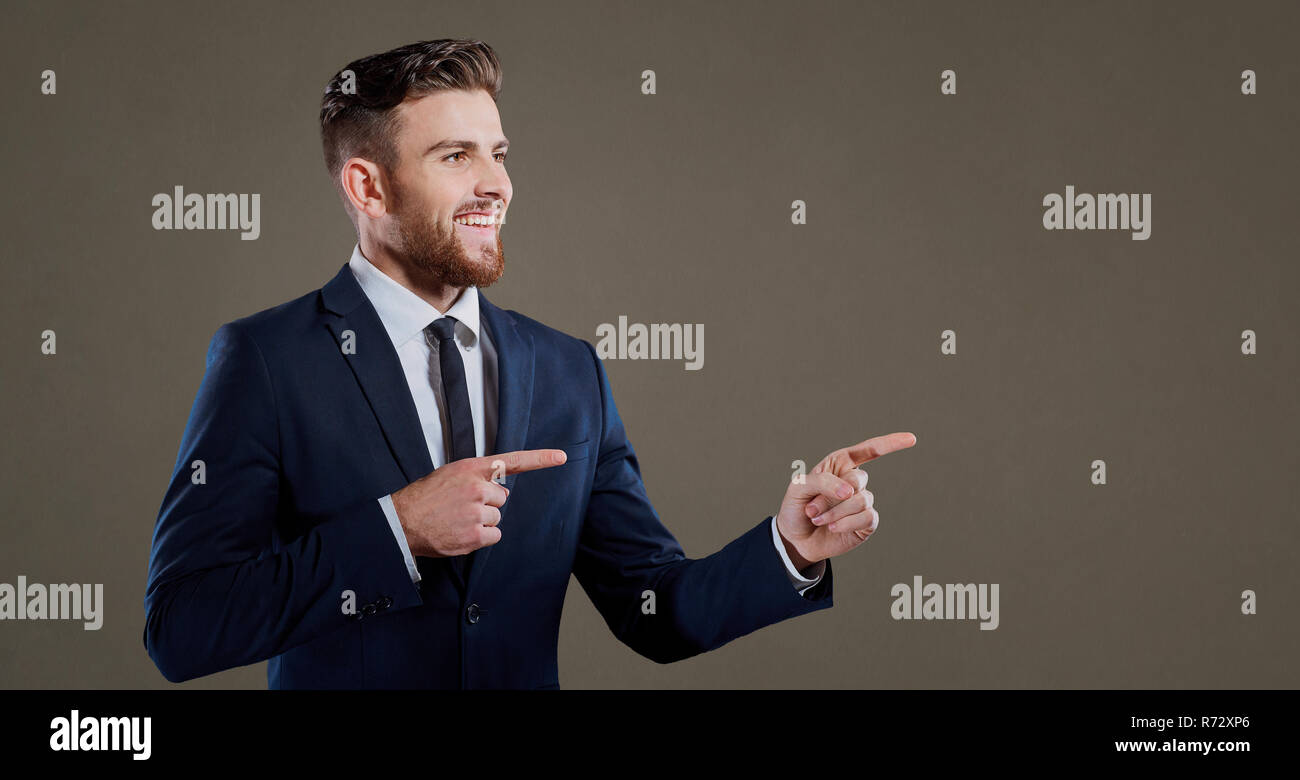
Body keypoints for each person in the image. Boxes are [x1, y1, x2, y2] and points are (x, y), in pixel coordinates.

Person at [143, 38, 916, 689]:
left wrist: (789, 549)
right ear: (368, 185)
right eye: (456, 156)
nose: (497, 185)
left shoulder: (568, 370)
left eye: (499, 153)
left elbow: (654, 609)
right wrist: (398, 529)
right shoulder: (267, 360)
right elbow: (183, 628)